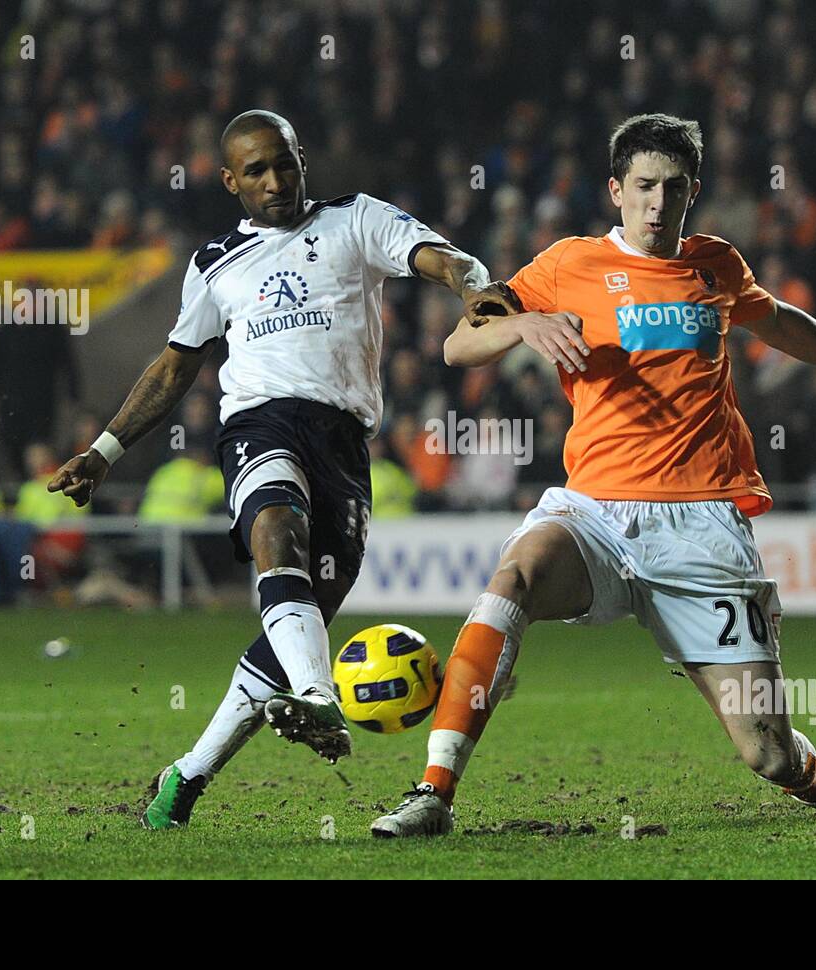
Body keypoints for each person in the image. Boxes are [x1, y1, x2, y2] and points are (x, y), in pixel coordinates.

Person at [371, 114, 816, 838]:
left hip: (703, 526)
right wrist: (521, 326)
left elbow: (779, 321)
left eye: (674, 188)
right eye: (643, 187)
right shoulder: (566, 265)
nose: (658, 203)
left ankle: (810, 775)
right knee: (515, 578)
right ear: (615, 190)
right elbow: (457, 343)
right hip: (595, 511)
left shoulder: (716, 264)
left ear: (692, 192)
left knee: (767, 753)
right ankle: (433, 793)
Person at [46, 110, 520, 829]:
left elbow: (443, 255)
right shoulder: (213, 265)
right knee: (276, 527)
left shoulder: (355, 220)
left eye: (286, 164)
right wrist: (103, 452)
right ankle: (320, 697)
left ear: (303, 161)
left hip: (345, 445)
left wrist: (470, 288)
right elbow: (176, 367)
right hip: (260, 421)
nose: (275, 181)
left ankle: (185, 779)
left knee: (287, 630)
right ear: (230, 179)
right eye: (257, 171)